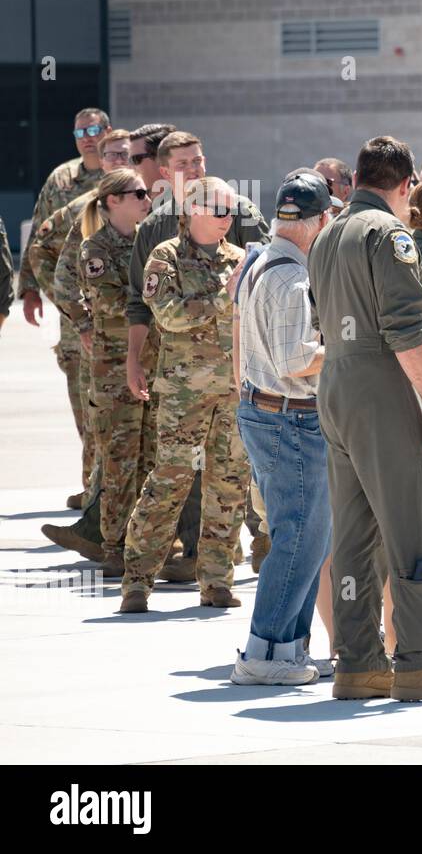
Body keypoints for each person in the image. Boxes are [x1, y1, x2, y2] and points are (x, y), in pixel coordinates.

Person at [309, 135, 422, 702]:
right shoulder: (387, 234)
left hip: (335, 383)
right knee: (415, 526)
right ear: (405, 184)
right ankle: (421, 661)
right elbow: (405, 329)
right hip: (381, 387)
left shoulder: (327, 233)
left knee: (355, 534)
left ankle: (359, 662)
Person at [118, 177, 251, 612]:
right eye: (219, 211)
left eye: (231, 212)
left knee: (227, 486)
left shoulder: (241, 259)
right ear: (193, 211)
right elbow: (171, 316)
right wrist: (222, 299)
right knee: (170, 481)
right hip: (182, 395)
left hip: (233, 391)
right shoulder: (166, 257)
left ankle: (216, 581)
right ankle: (137, 581)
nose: (228, 219)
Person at [230, 171, 339, 685]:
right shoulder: (290, 276)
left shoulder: (262, 260)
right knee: (299, 538)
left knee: (308, 539)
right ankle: (264, 653)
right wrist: (346, 346)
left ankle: (289, 649)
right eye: (328, 217)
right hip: (289, 417)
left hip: (271, 412)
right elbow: (298, 361)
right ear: (316, 221)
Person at [18, 108, 109, 511]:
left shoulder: (120, 182)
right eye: (80, 132)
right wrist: (31, 289)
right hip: (74, 313)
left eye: (94, 130)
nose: (87, 138)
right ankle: (92, 484)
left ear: (107, 132)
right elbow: (41, 231)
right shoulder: (62, 180)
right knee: (82, 397)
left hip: (115, 308)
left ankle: (104, 489)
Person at [75, 169, 154, 576]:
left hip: (149, 366)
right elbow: (109, 305)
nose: (146, 198)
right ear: (112, 201)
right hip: (112, 370)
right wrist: (155, 301)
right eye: (136, 192)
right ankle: (113, 546)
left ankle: (145, 545)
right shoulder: (96, 247)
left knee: (149, 459)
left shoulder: (148, 241)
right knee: (120, 459)